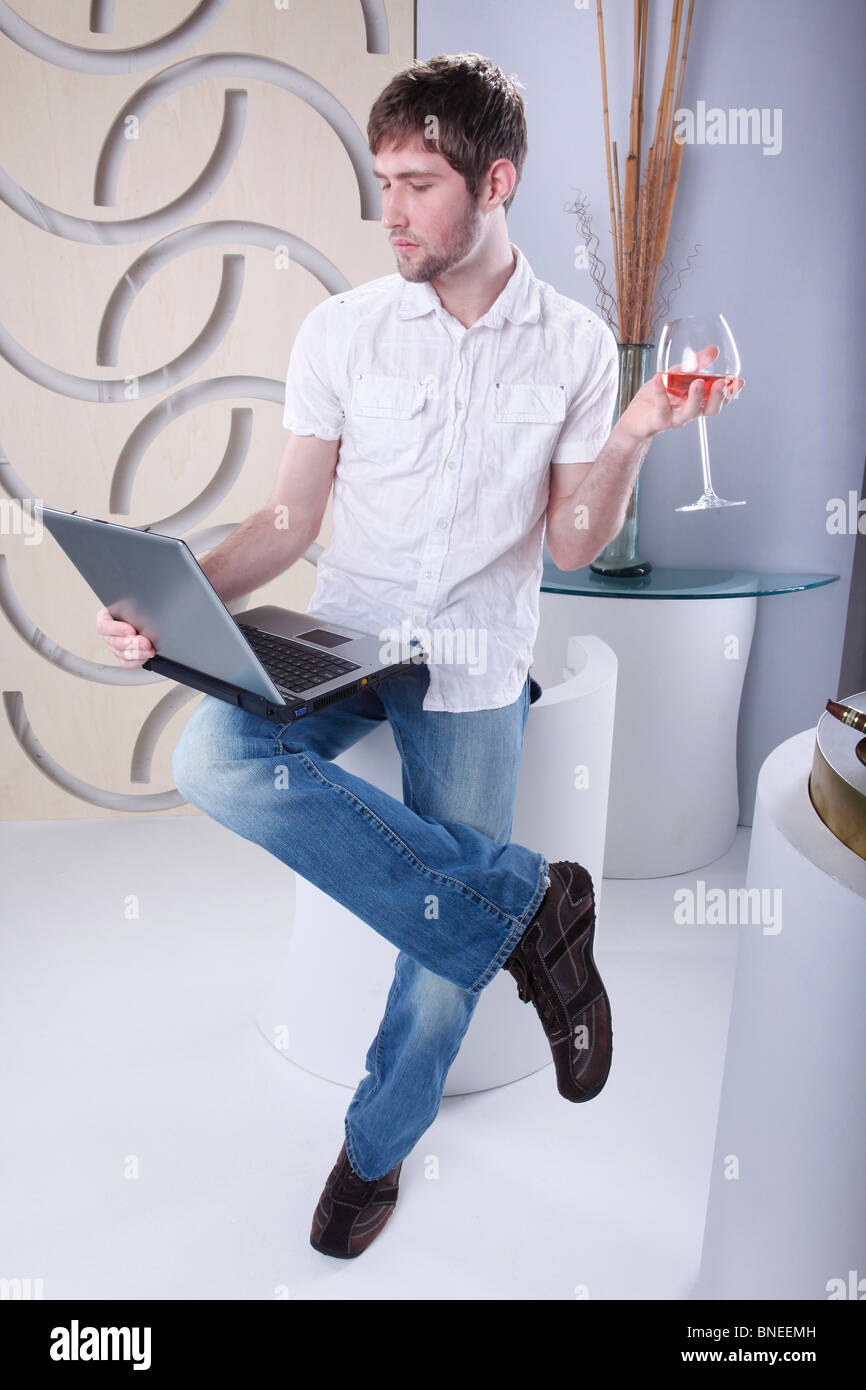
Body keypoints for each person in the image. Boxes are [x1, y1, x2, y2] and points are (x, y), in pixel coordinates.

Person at [97, 53, 742, 1260]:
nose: (389, 210)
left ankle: (373, 1150)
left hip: (474, 659)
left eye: (417, 182)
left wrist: (639, 431)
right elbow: (290, 520)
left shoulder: (571, 346)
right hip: (342, 639)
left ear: (493, 181)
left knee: (435, 963)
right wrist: (171, 602)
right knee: (212, 761)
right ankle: (525, 904)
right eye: (381, 179)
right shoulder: (343, 331)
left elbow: (569, 537)